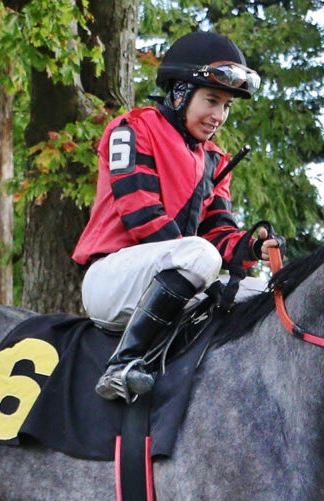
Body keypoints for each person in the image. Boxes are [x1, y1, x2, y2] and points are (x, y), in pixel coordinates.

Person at [72, 31, 281, 401]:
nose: (219, 116)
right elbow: (141, 216)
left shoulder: (215, 158)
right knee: (200, 255)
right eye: (212, 100)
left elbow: (219, 232)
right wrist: (209, 273)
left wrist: (252, 245)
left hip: (177, 280)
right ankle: (123, 364)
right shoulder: (133, 128)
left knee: (267, 296)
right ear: (181, 92)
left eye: (227, 106)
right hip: (112, 281)